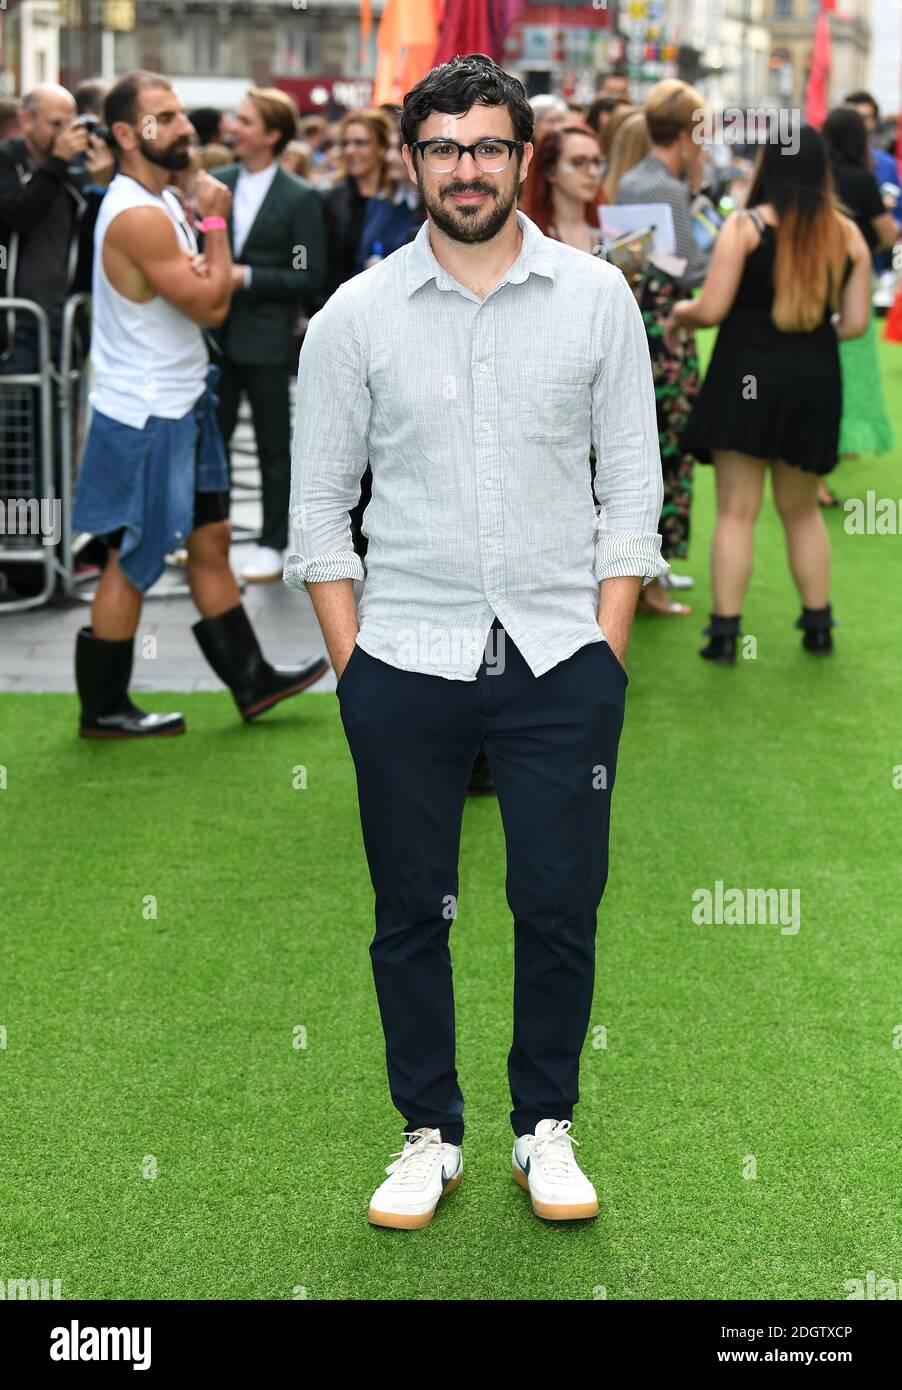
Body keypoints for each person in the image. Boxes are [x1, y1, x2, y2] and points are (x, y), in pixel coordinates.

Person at [285, 52, 667, 1229]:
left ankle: (541, 1126)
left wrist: (605, 650)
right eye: (444, 147)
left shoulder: (597, 296)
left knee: (558, 903)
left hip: (561, 661)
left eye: (488, 145)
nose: (467, 167)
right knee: (411, 910)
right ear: (411, 161)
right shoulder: (355, 314)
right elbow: (316, 514)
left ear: (522, 157)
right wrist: (356, 672)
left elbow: (632, 493)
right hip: (404, 658)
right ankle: (428, 1132)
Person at [70, 70, 327, 738]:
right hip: (149, 415)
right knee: (136, 553)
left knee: (211, 538)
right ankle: (104, 709)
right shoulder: (137, 214)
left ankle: (252, 681)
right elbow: (212, 302)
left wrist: (198, 210)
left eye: (182, 113)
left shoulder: (158, 200)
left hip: (182, 403)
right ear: (127, 134)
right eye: (166, 116)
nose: (186, 126)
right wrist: (214, 214)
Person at [667, 124, 871, 664]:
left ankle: (726, 633)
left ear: (769, 166)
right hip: (814, 378)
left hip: (746, 377)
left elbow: (709, 309)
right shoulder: (848, 235)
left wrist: (679, 315)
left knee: (737, 510)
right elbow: (852, 324)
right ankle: (819, 624)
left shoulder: (746, 226)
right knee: (801, 511)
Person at [211, 88, 327, 582]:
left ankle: (273, 541)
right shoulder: (215, 183)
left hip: (267, 340)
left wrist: (248, 276)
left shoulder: (299, 198)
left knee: (274, 447)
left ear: (272, 133)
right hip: (213, 338)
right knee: (208, 446)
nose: (233, 127)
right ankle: (207, 537)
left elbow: (309, 275)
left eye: (244, 120)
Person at [616, 80, 711, 613]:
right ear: (685, 132)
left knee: (643, 446)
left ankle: (646, 571)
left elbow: (635, 256)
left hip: (641, 317)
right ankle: (651, 575)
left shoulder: (632, 180)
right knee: (667, 448)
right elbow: (689, 268)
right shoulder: (670, 190)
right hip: (668, 329)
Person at [822, 106, 897, 478]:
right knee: (853, 358)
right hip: (853, 279)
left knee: (822, 354)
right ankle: (842, 437)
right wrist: (869, 252)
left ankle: (827, 437)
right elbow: (888, 233)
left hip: (815, 277)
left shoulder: (819, 176)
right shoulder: (862, 180)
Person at [519, 121, 604, 251]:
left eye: (597, 162)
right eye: (578, 162)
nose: (593, 172)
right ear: (550, 171)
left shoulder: (609, 227)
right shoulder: (528, 234)